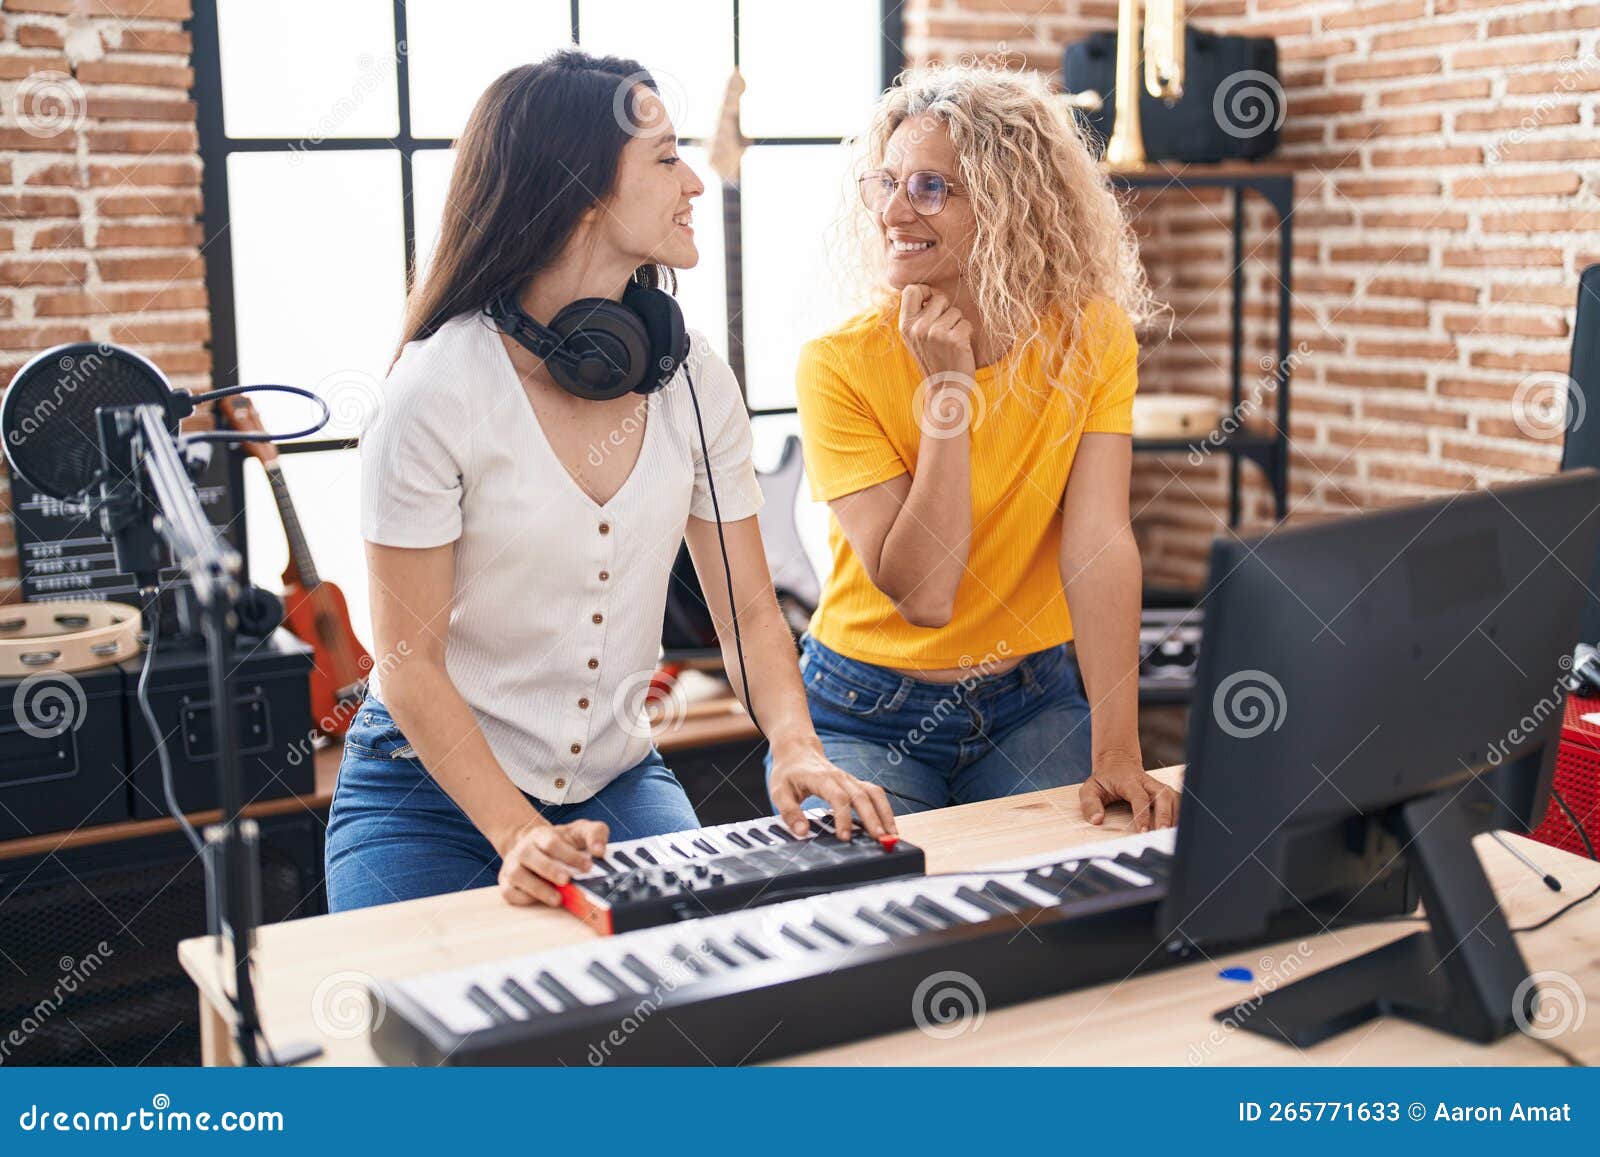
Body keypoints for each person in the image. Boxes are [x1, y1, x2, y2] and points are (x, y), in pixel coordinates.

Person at [326, 50, 895, 913]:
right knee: (429, 1035)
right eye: (667, 158)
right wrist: (518, 833)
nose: (695, 183)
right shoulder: (435, 391)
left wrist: (797, 745)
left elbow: (746, 612)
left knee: (702, 995)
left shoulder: (694, 378)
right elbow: (409, 663)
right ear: (582, 191)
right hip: (424, 798)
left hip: (619, 783)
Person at [785, 64, 1177, 831]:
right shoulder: (837, 362)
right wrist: (947, 397)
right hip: (864, 709)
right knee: (888, 916)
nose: (893, 210)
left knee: (1074, 898)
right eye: (886, 182)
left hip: (1030, 698)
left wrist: (1120, 748)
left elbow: (1098, 542)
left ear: (1008, 209)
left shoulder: (1092, 335)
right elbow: (924, 594)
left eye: (931, 187)